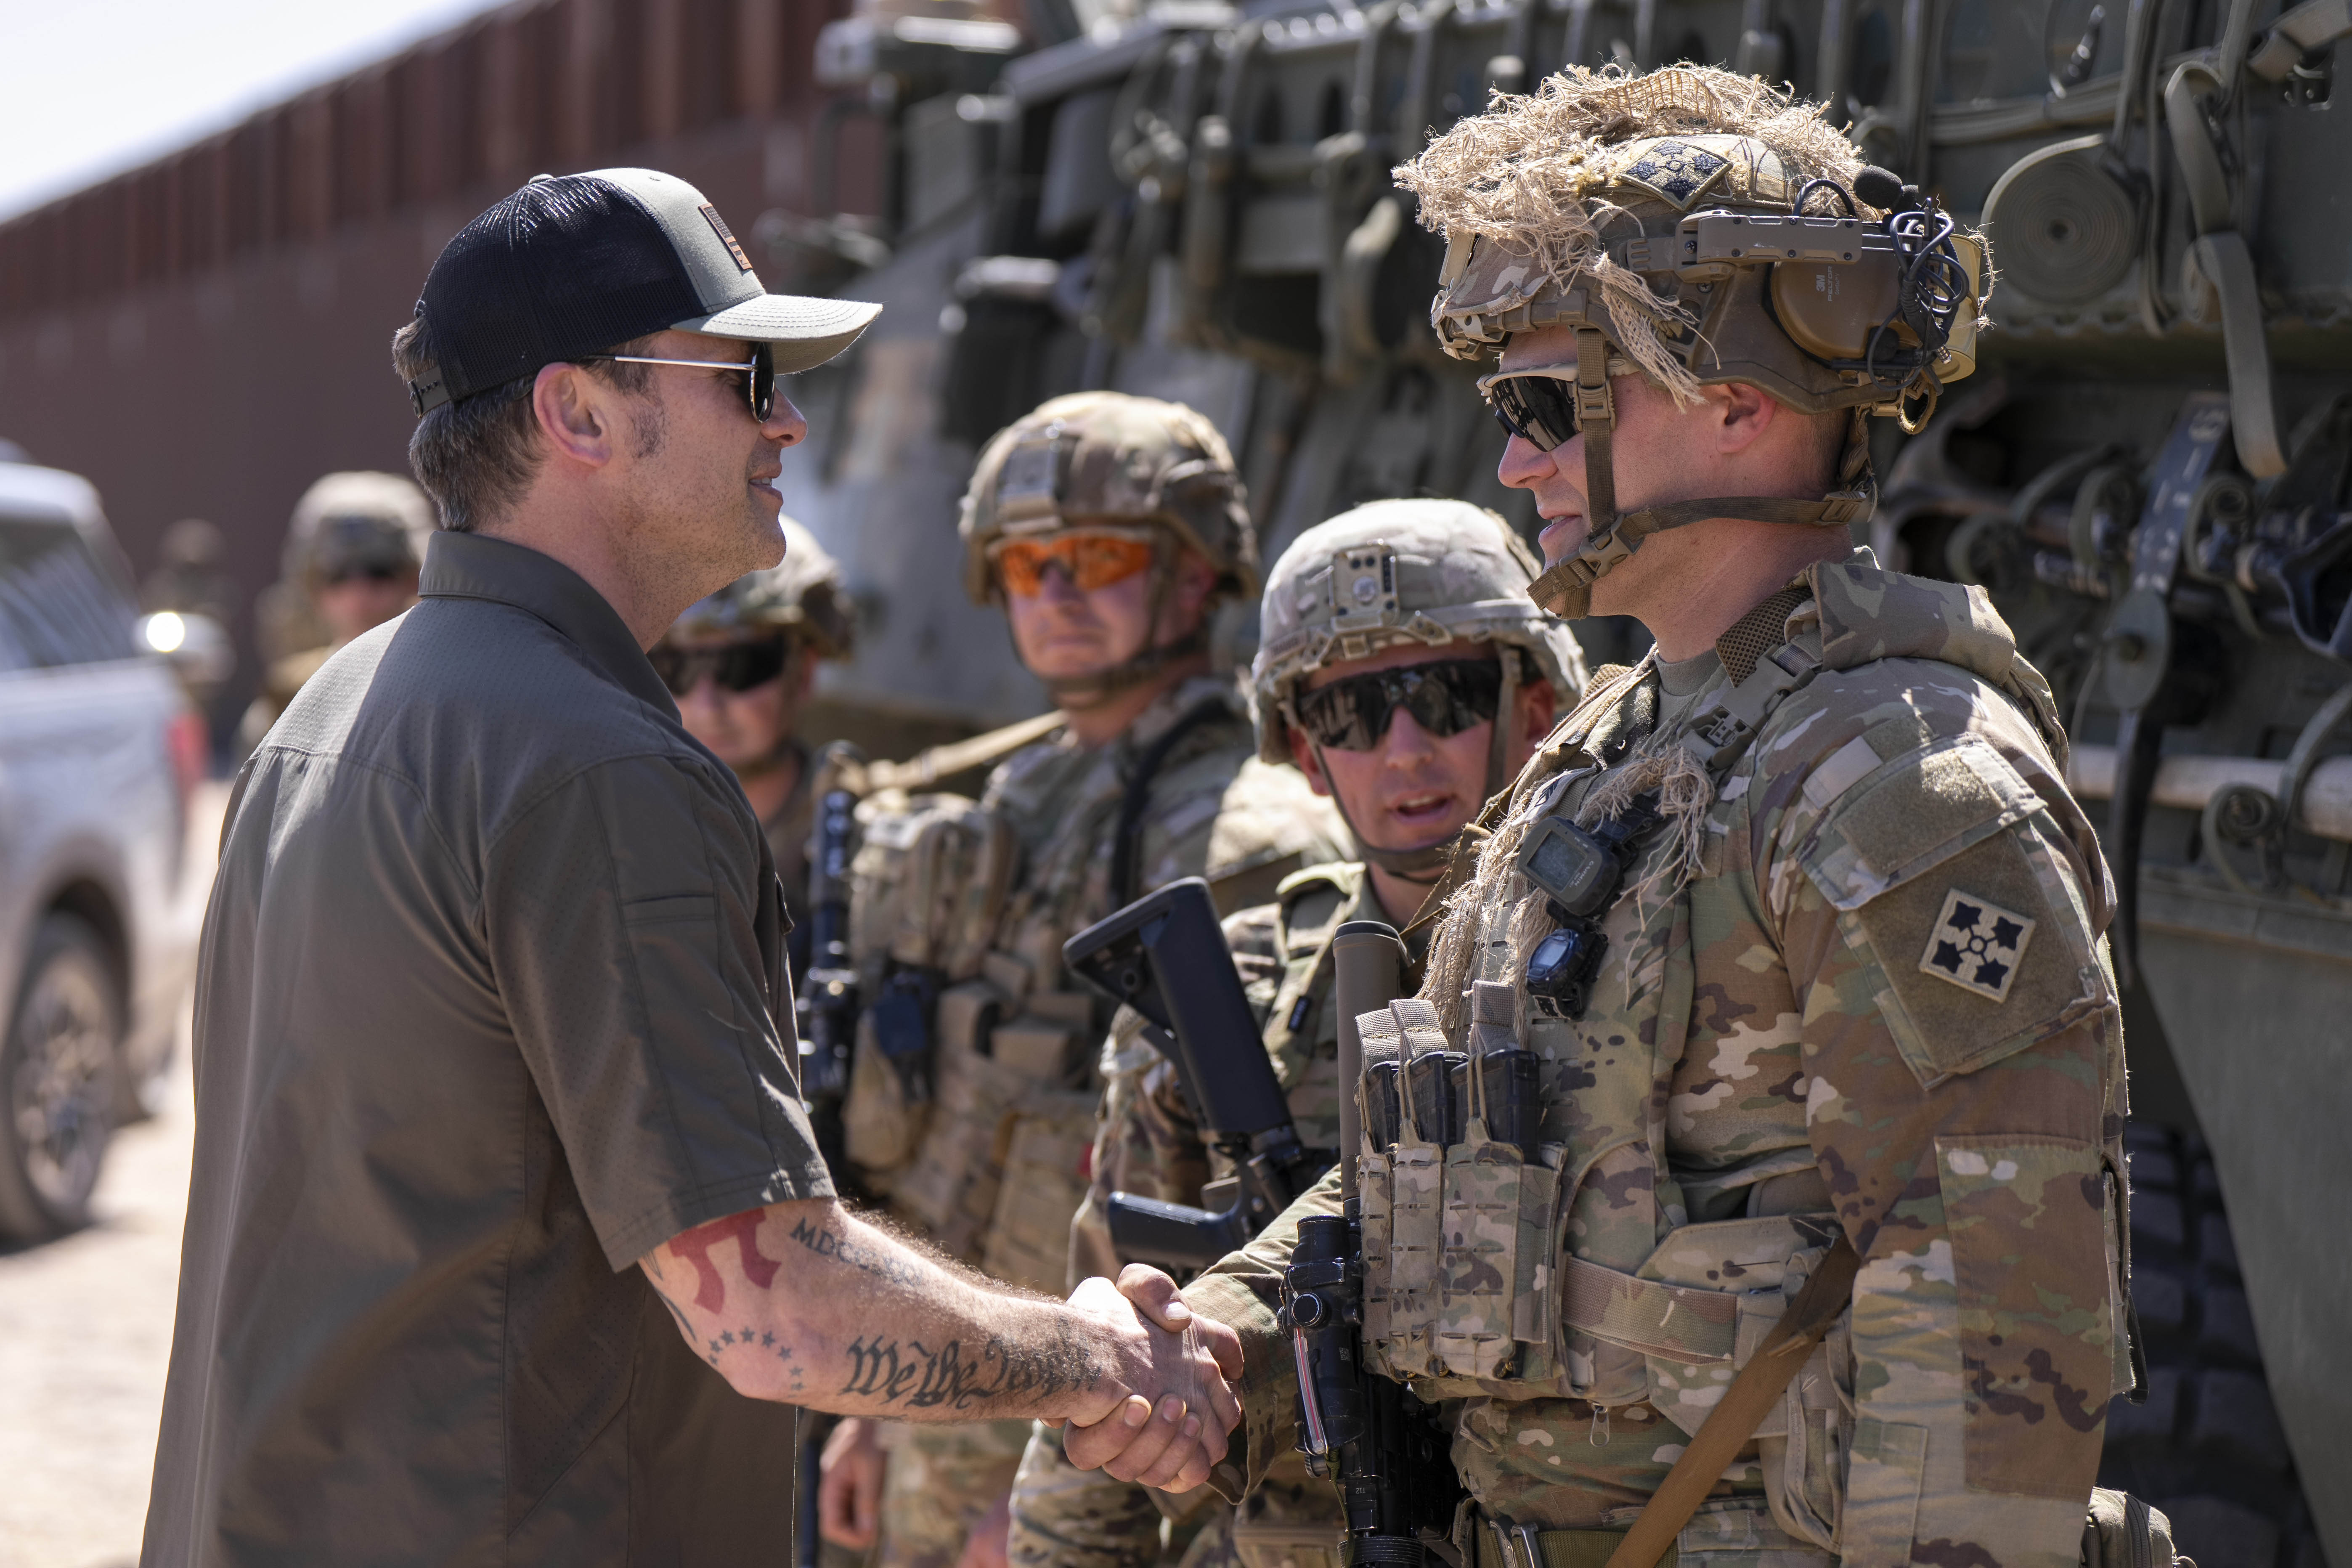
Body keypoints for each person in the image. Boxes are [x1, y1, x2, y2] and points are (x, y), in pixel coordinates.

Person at [142, 167, 1233, 1568]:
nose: (787, 421)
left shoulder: (333, 709)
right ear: (579, 413)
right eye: (746, 376)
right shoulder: (598, 766)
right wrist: (1092, 1357)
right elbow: (771, 1311)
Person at [1144, 65, 2132, 1568]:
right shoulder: (1617, 745)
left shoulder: (1901, 792)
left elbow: (2000, 1350)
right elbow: (1463, 1158)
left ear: (1734, 404)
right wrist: (1221, 1323)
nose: (1512, 459)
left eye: (1546, 403)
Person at [817, 393, 1352, 1568]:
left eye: (1100, 558)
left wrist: (1062, 1487)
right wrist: (884, 1406)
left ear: (1195, 573)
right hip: (956, 1394)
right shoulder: (1032, 790)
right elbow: (973, 1111)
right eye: (1026, 565)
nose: (1056, 592)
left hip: (1096, 1436)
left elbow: (1235, 1203)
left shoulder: (1243, 831)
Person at [1005, 499, 1589, 1568]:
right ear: (1307, 756)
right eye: (1350, 714)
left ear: (1537, 704)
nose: (1402, 750)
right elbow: (1115, 1350)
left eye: (1446, 696)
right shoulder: (1232, 992)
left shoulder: (1607, 965)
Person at [655, 515, 856, 977]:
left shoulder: (865, 856)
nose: (706, 705)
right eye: (674, 667)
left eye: (741, 665)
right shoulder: (616, 834)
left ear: (803, 671)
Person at [236, 470, 433, 754]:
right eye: (338, 576)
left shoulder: (441, 696)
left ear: (413, 581)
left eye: (380, 573)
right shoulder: (284, 703)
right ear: (312, 589)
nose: (358, 597)